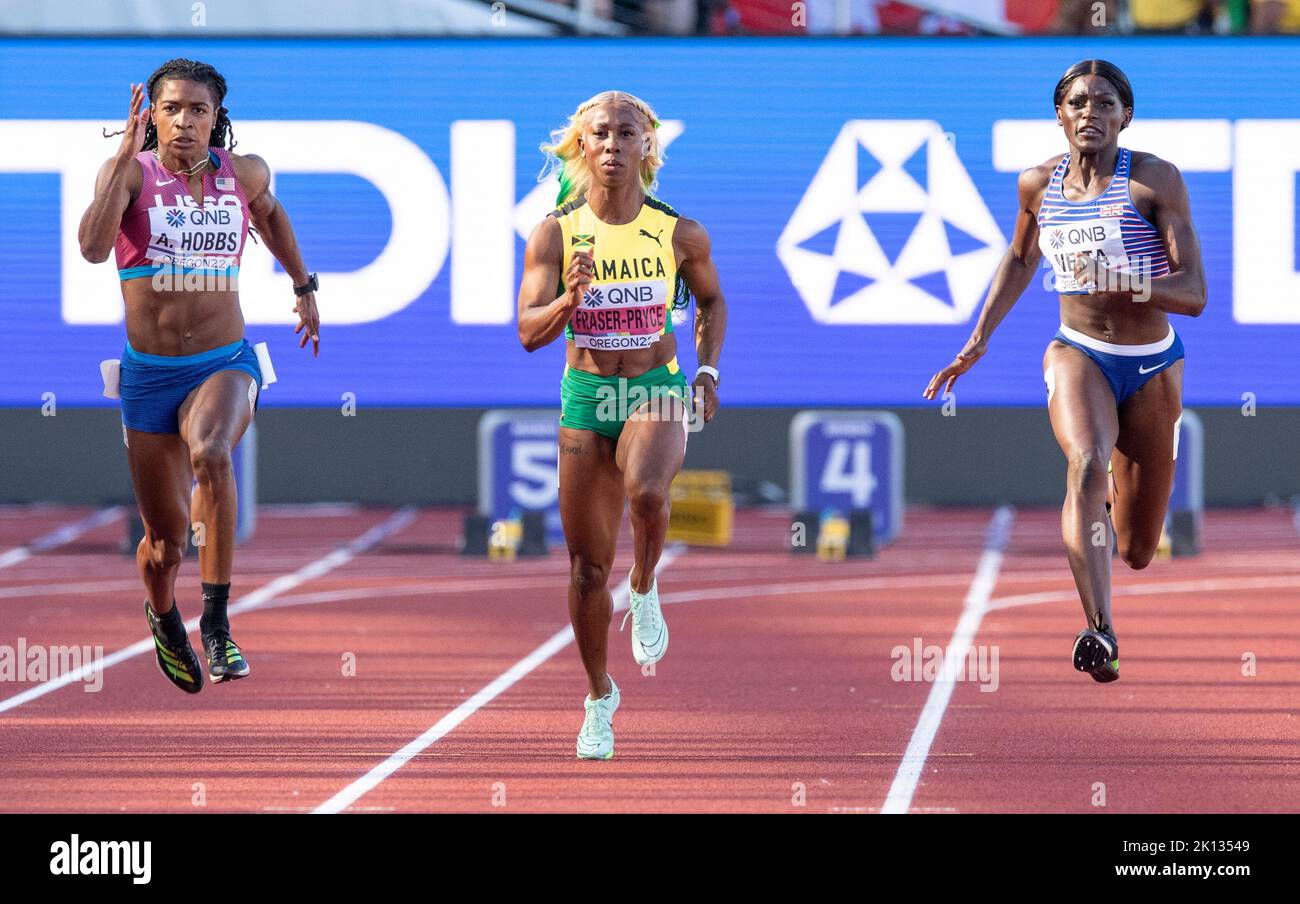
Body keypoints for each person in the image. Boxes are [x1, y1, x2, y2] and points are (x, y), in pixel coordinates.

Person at [923, 60, 1206, 683]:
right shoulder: (1037, 185)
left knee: (1134, 549)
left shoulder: (1155, 181)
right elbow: (1022, 257)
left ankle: (1106, 508)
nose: (1090, 113)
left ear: (1124, 116)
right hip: (1077, 350)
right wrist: (977, 340)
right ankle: (1099, 629)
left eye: (1105, 103)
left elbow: (1193, 293)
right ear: (1059, 115)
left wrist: (1128, 283)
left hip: (1153, 364)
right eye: (1077, 103)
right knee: (1083, 462)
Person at [78, 59, 320, 693]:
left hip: (224, 361)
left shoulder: (244, 174)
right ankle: (164, 615)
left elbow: (269, 216)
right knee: (164, 545)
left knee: (212, 451)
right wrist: (124, 158)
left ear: (218, 119)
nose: (185, 122)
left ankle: (217, 624)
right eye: (172, 109)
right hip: (150, 375)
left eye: (199, 111)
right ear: (151, 115)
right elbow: (93, 248)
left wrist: (303, 286)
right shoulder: (129, 175)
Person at [517, 91, 727, 757]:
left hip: (654, 389)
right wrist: (568, 301)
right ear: (580, 148)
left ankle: (644, 584)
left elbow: (714, 302)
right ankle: (600, 697)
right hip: (587, 398)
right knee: (584, 571)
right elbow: (527, 333)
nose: (611, 145)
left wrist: (708, 372)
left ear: (648, 147)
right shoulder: (555, 231)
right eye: (599, 134)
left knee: (648, 490)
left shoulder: (678, 232)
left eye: (625, 133)